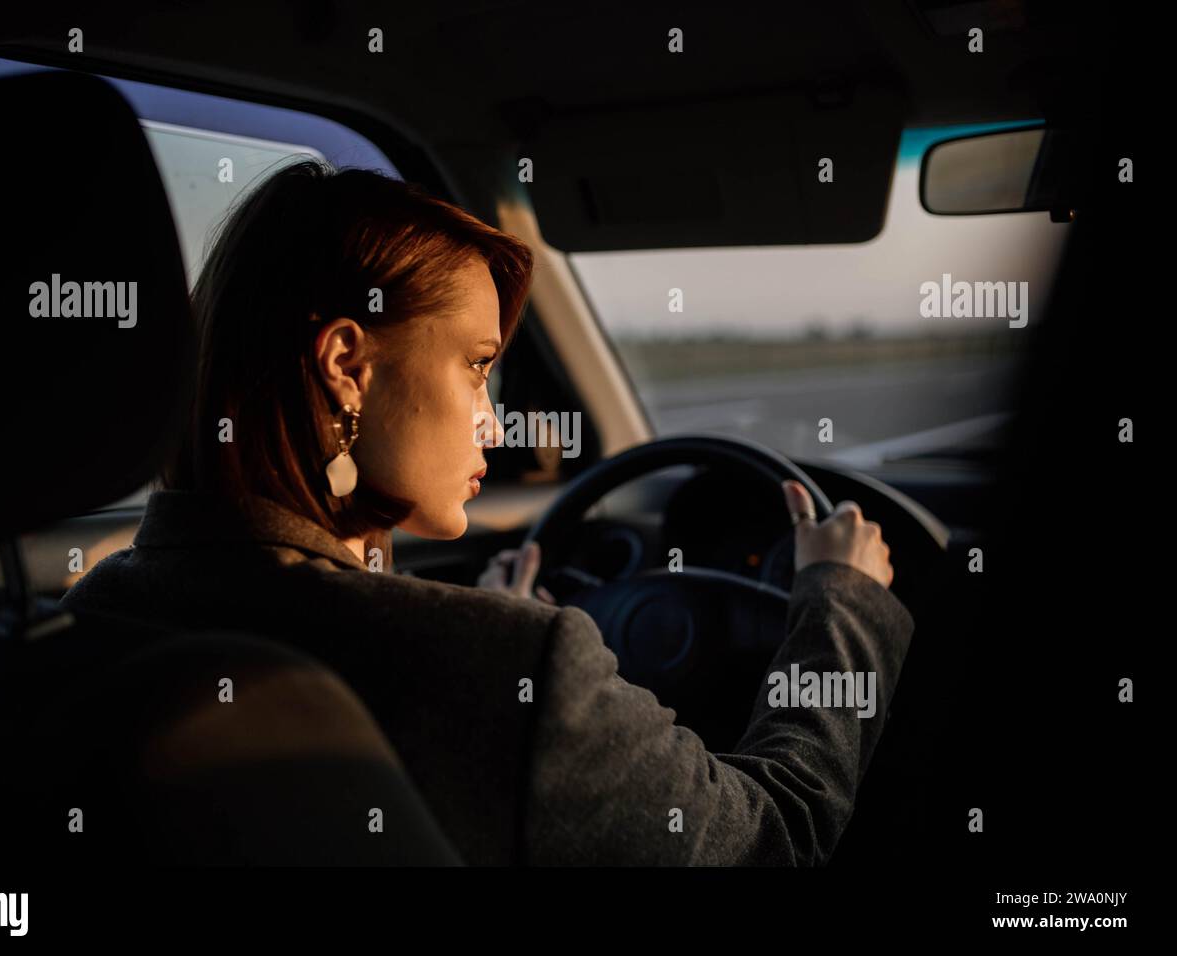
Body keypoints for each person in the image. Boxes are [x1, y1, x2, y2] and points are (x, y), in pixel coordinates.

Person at [61, 158, 914, 865]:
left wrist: (491, 627)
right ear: (347, 364)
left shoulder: (84, 620)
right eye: (475, 367)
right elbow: (778, 835)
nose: (494, 422)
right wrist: (840, 600)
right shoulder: (513, 664)